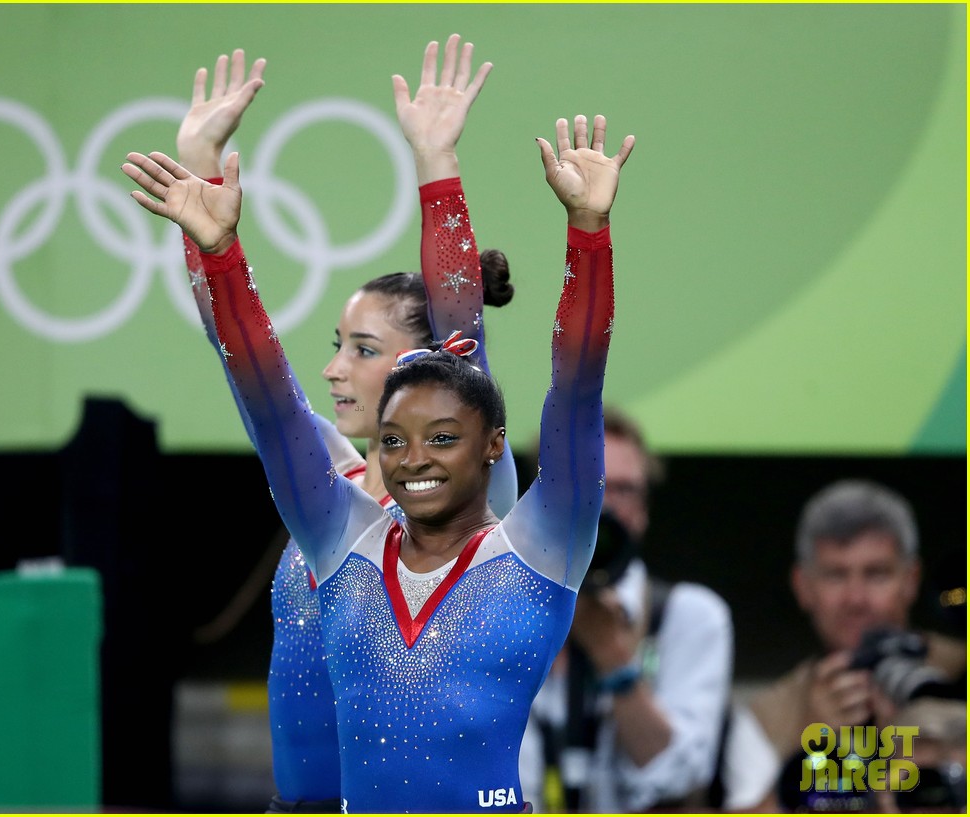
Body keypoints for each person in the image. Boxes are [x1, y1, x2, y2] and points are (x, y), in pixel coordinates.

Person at [121, 108, 634, 811]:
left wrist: (589, 235)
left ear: (492, 445)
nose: (411, 458)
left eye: (442, 438)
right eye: (392, 440)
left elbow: (578, 383)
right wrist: (220, 254)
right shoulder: (341, 536)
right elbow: (266, 396)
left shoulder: (543, 546)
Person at [169, 38, 518, 811]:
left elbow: (462, 320)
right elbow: (243, 358)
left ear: (428, 366)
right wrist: (198, 175)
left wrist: (437, 163)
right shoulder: (327, 485)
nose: (333, 369)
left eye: (363, 349)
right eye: (336, 347)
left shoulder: (476, 486)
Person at [517, 406, 738, 812]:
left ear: (643, 510)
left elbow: (679, 776)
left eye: (622, 489)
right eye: (585, 484)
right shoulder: (504, 615)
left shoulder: (688, 615)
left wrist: (612, 657)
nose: (604, 506)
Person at [748, 478, 967, 812]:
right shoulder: (769, 713)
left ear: (910, 580)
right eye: (836, 575)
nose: (856, 599)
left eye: (877, 574)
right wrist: (812, 747)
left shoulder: (958, 669)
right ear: (803, 586)